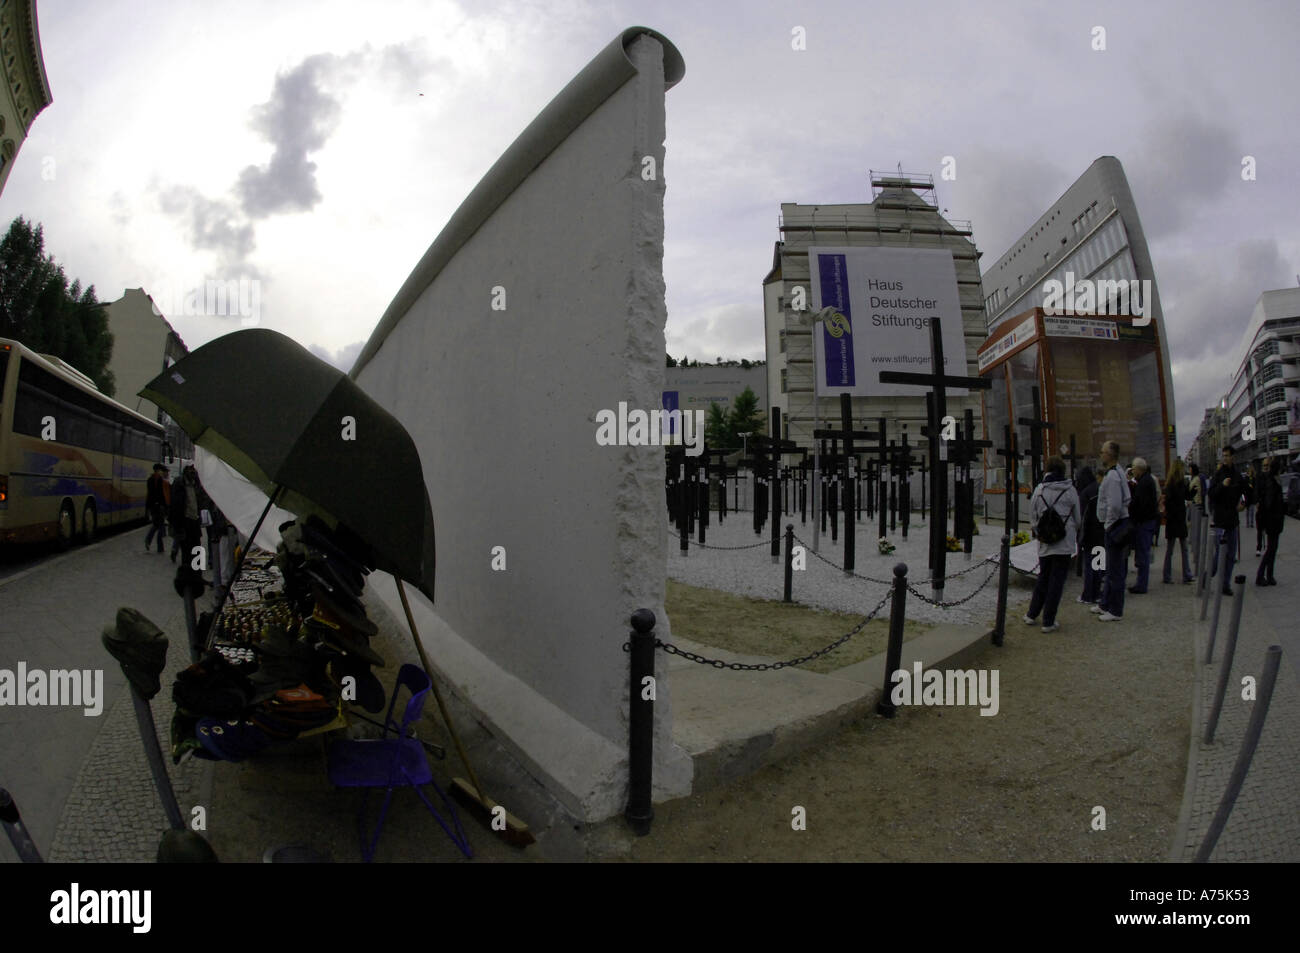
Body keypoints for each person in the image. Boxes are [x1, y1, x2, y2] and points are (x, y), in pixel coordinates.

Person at [1024, 456, 1081, 633]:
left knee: (1043, 578)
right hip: (1064, 541)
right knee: (1057, 581)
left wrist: (1040, 531)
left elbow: (1032, 517)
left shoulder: (1040, 490)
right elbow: (1077, 518)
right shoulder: (1070, 490)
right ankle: (1048, 620)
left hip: (1045, 541)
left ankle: (1032, 614)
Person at [1095, 440, 1132, 622]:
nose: (1101, 454)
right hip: (1115, 523)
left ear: (1109, 455)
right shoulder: (1116, 473)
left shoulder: (1113, 476)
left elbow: (1115, 505)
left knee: (1115, 569)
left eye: (1102, 451)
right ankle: (1106, 603)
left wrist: (1108, 524)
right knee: (1110, 568)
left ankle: (1115, 610)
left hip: (1114, 525)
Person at [1208, 445, 1244, 596]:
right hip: (1220, 520)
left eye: (1228, 456)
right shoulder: (1218, 474)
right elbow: (1211, 494)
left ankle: (1225, 584)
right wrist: (1222, 486)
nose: (1225, 458)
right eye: (1224, 456)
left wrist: (1243, 503)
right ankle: (1208, 575)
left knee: (1230, 554)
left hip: (1233, 520)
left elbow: (1244, 492)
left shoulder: (1237, 474)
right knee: (1219, 553)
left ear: (1233, 457)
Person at [1128, 458, 1159, 594]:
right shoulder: (1147, 480)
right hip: (1148, 521)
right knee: (1143, 553)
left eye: (1134, 468)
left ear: (1139, 469)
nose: (1132, 471)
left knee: (1143, 554)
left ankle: (1141, 584)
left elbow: (1140, 504)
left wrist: (1134, 517)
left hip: (1144, 522)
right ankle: (1141, 583)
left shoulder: (1144, 483)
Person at [1161, 457, 1194, 584]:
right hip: (1178, 519)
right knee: (1182, 548)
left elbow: (1176, 499)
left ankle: (1168, 575)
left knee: (1171, 549)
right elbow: (1184, 497)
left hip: (1173, 519)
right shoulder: (1180, 483)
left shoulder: (1171, 484)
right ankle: (1186, 574)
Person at [1075, 466, 1104, 606]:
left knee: (1089, 566)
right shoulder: (1100, 488)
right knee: (1099, 564)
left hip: (1089, 533)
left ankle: (1087, 595)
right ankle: (1097, 593)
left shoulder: (1085, 493)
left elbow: (1081, 517)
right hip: (1102, 531)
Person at [1256, 456, 1285, 586]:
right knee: (1271, 549)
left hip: (1275, 520)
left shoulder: (1275, 482)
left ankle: (1270, 575)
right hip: (1272, 521)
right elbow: (1269, 503)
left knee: (1273, 549)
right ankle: (1260, 575)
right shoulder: (1272, 483)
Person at [144, 464, 171, 553]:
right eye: (161, 471)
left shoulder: (158, 480)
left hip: (158, 506)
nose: (163, 472)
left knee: (157, 525)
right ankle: (158, 546)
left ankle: (150, 541)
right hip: (157, 506)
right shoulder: (155, 480)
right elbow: (154, 494)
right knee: (159, 526)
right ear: (157, 470)